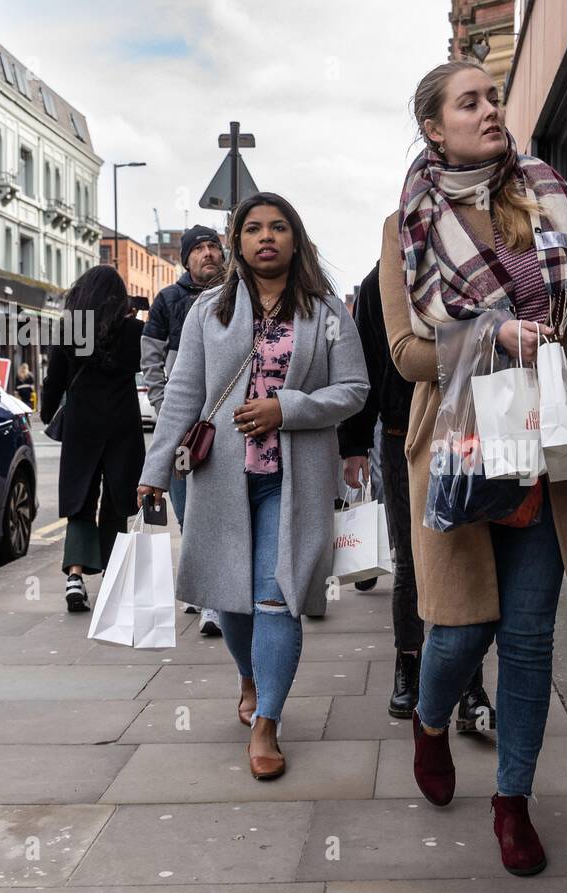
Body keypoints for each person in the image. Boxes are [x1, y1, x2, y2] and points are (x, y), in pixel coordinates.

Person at [381, 61, 567, 876]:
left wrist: (552, 342)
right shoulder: (409, 222)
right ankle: (431, 717)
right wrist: (491, 337)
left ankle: (512, 801)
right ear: (434, 127)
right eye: (470, 101)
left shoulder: (546, 191)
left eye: (494, 97)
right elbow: (408, 353)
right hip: (463, 448)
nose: (491, 110)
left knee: (527, 638)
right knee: (460, 630)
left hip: (551, 442)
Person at [137, 193, 368, 781]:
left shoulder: (327, 313)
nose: (267, 237)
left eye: (279, 227)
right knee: (230, 599)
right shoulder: (206, 313)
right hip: (220, 480)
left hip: (293, 482)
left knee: (276, 595)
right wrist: (153, 471)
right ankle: (248, 674)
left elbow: (354, 390)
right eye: (254, 228)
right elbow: (183, 396)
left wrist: (285, 409)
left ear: (296, 239)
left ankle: (267, 720)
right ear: (238, 242)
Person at [340, 262, 495, 728]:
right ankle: (408, 666)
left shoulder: (467, 268)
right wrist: (352, 446)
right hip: (398, 433)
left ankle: (469, 685)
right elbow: (365, 364)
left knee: (466, 556)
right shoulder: (377, 282)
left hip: (467, 428)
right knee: (409, 560)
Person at [40, 266, 146, 612]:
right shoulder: (133, 331)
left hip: (81, 426)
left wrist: (48, 414)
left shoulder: (71, 330)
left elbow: (53, 381)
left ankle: (74, 578)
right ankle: (114, 578)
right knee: (116, 500)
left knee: (80, 500)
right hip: (123, 426)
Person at [140, 224, 227, 635]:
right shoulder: (169, 300)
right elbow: (150, 360)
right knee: (186, 510)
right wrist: (163, 407)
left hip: (225, 423)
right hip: (182, 427)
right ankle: (201, 588)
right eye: (200, 249)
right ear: (186, 258)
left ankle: (213, 600)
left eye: (214, 247)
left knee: (215, 512)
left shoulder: (235, 295)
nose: (209, 254)